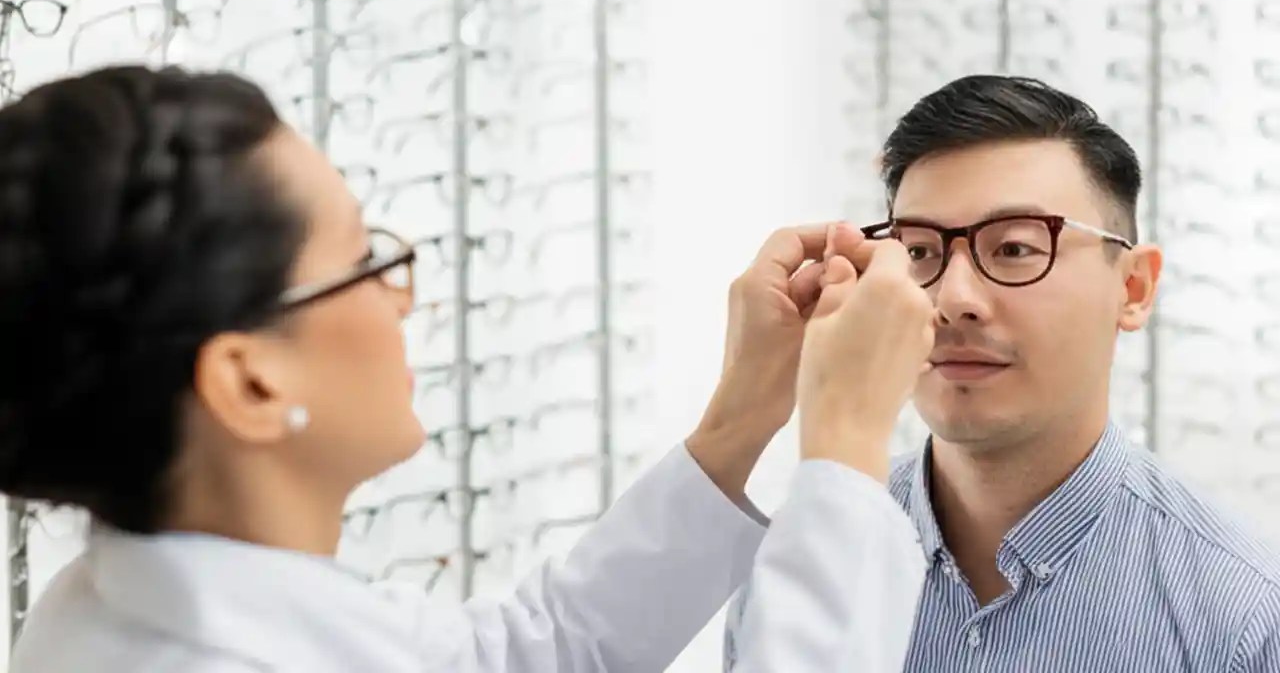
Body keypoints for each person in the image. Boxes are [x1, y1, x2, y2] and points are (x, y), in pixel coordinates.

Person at [0, 66, 935, 673]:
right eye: (366, 262)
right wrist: (846, 442)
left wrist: (743, 416)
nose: (407, 300)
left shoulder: (110, 612)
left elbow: (528, 655)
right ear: (249, 383)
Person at [725, 75, 1280, 671]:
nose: (954, 297)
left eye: (1014, 248)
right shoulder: (795, 565)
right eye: (918, 251)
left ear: (1132, 287)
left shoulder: (1244, 616)